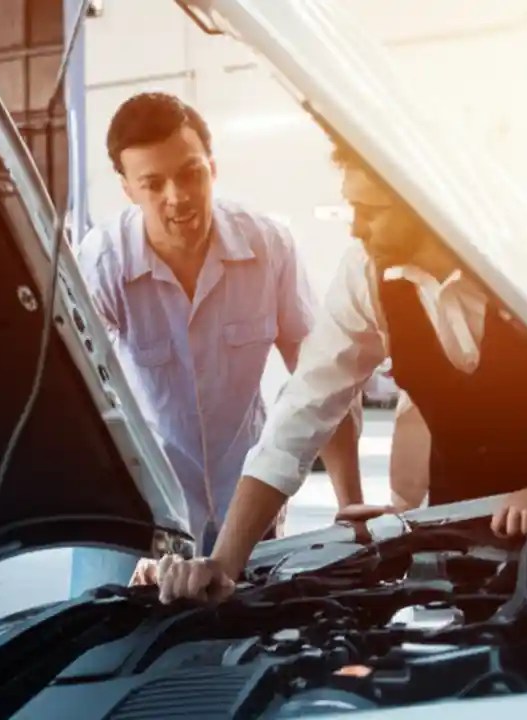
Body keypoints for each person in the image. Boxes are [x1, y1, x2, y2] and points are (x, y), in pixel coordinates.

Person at [152, 137, 527, 604]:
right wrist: (225, 563)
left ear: (427, 204)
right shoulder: (366, 275)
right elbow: (302, 413)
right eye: (351, 208)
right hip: (461, 534)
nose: (356, 228)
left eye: (371, 211)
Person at [70, 93, 361, 595]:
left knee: (250, 648)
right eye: (153, 184)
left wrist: (349, 506)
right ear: (126, 189)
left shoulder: (268, 247)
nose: (177, 196)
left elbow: (323, 383)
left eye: (190, 174)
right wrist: (138, 533)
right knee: (102, 654)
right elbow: (81, 414)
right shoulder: (101, 264)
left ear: (213, 168)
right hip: (139, 517)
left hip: (244, 508)